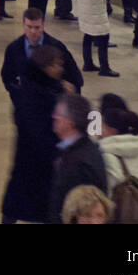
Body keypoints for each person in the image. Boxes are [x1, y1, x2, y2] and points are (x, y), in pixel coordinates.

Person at [0, 43, 67, 224]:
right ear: (44, 67)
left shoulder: (51, 87)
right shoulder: (31, 95)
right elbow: (35, 128)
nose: (60, 68)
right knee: (24, 202)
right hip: (32, 160)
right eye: (56, 65)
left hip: (38, 162)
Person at [0, 8, 83, 102]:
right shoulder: (13, 48)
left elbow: (73, 73)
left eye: (37, 27)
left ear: (43, 26)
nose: (33, 32)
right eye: (29, 27)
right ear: (23, 25)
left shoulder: (56, 46)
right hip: (26, 103)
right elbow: (7, 75)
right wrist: (17, 95)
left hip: (52, 102)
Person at [48, 92, 107, 223]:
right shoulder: (77, 150)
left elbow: (80, 211)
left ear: (69, 123)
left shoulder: (79, 164)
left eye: (58, 115)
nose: (54, 116)